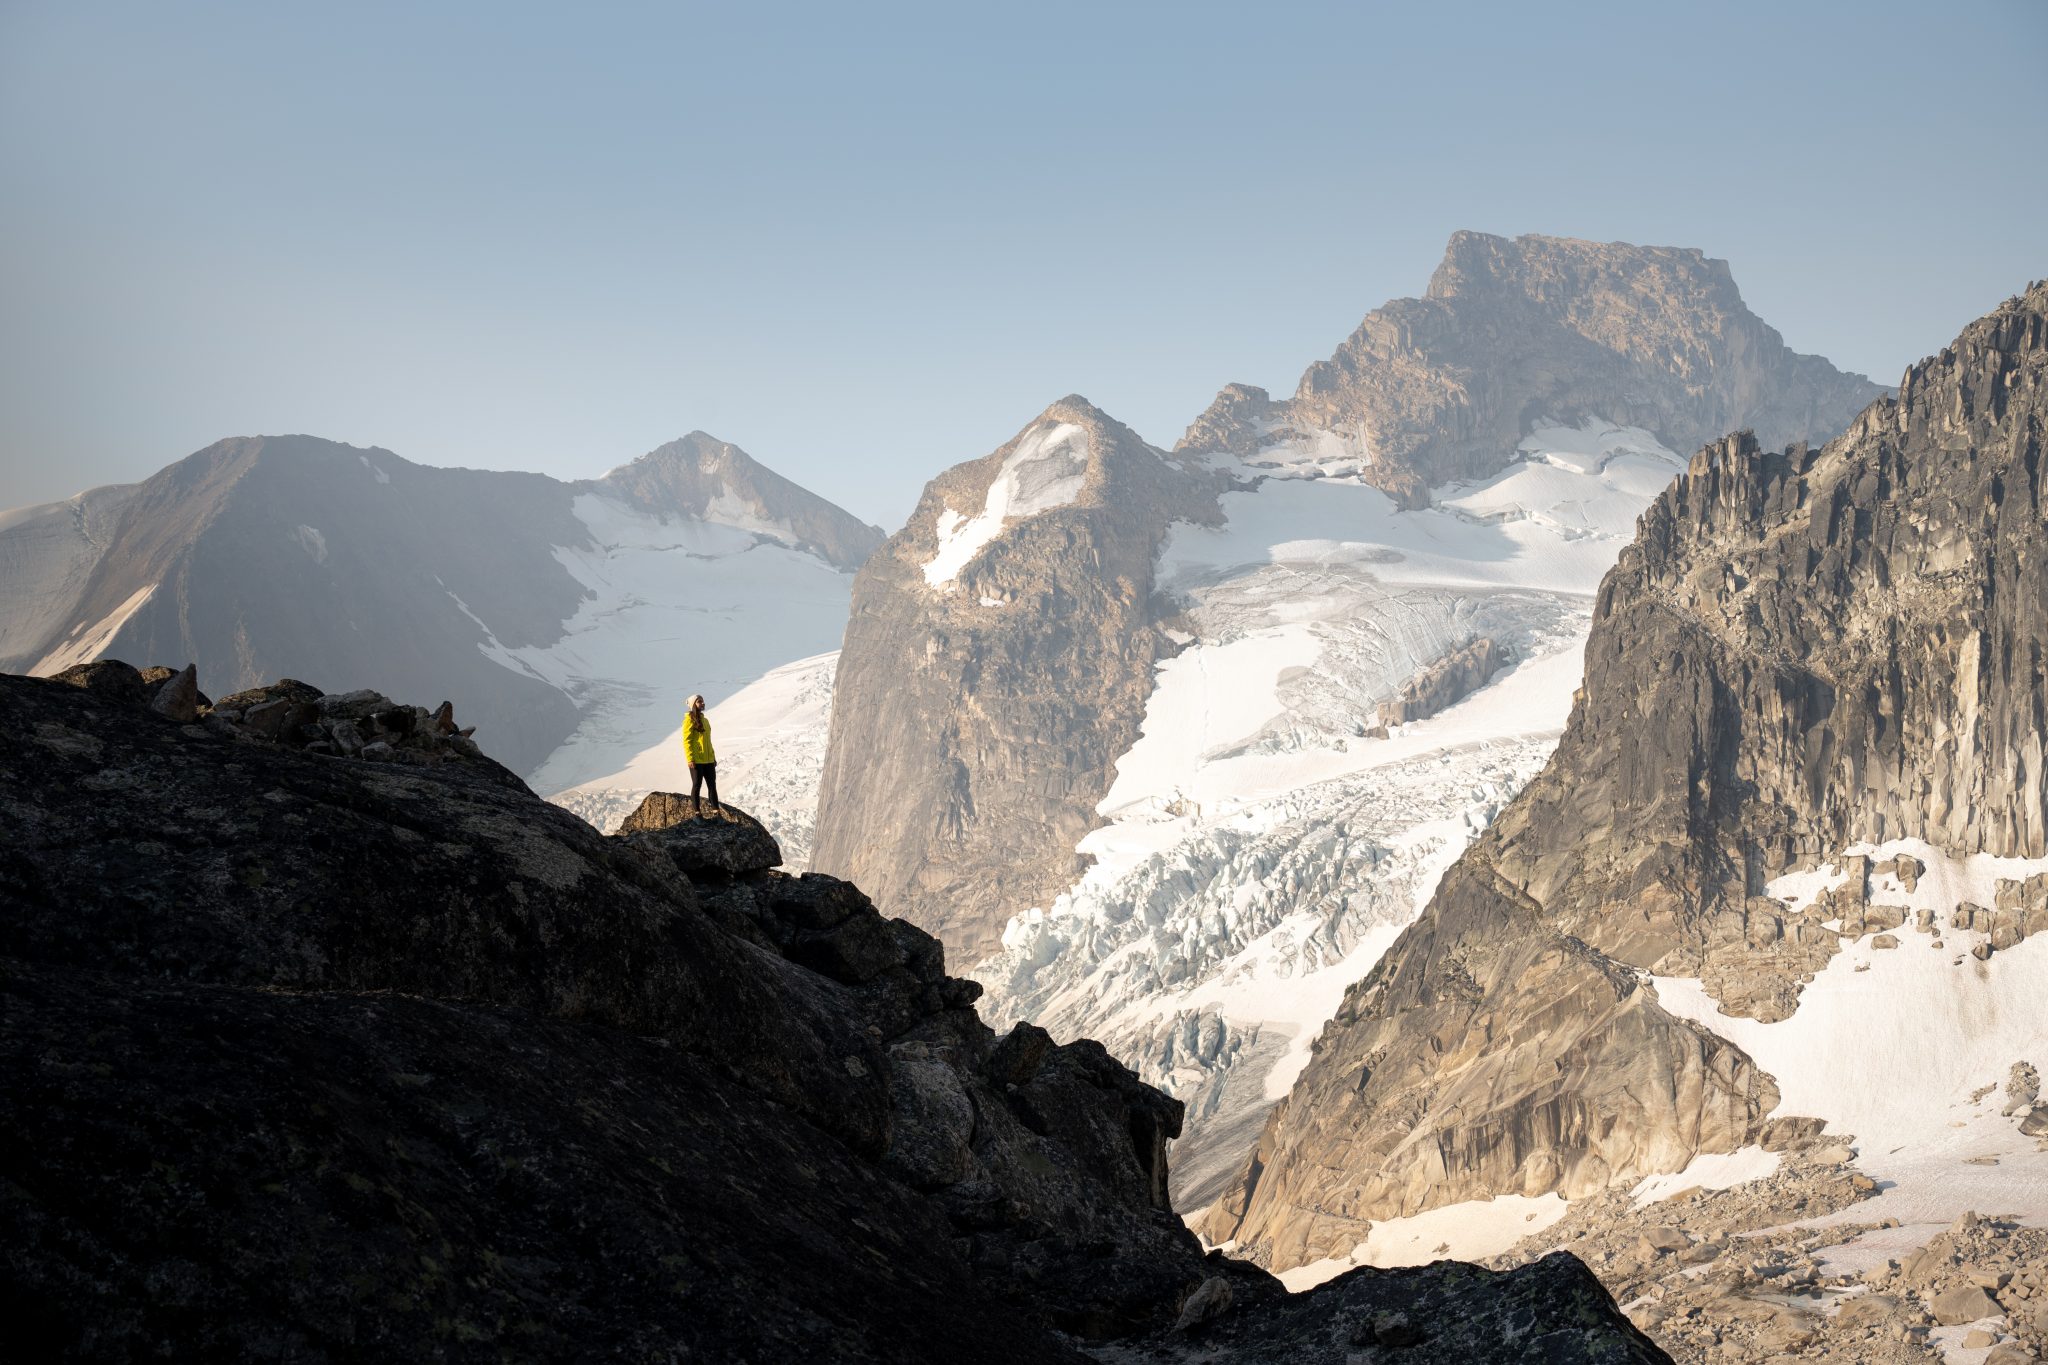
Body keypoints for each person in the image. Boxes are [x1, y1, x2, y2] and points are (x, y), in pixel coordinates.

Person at [682, 693, 726, 818]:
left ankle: (716, 813)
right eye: (699, 701)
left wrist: (713, 757)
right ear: (693, 705)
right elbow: (687, 741)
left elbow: (708, 741)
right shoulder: (688, 720)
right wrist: (690, 758)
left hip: (708, 760)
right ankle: (697, 814)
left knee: (712, 785)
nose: (702, 703)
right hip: (696, 760)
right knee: (697, 785)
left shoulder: (705, 721)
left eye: (702, 701)